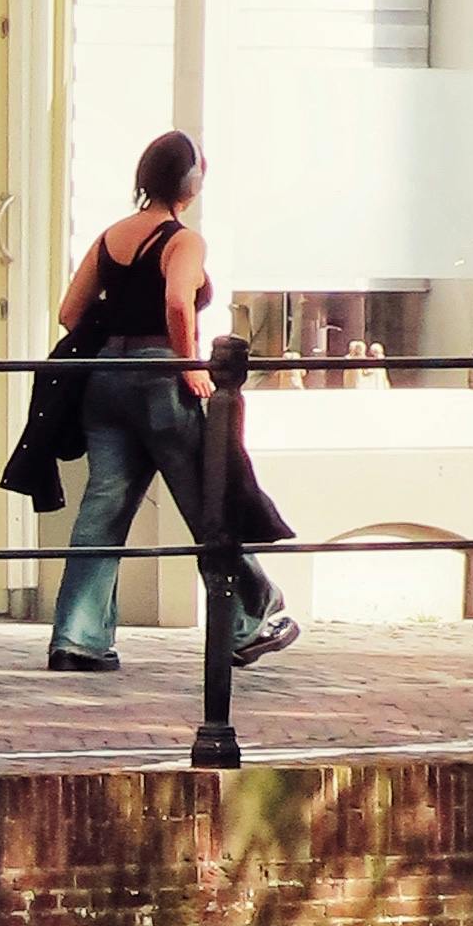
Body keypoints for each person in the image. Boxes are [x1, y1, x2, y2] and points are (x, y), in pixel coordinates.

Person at [42, 131, 295, 675]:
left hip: (104, 379)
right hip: (160, 379)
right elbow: (178, 301)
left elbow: (69, 311)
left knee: (102, 508)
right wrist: (189, 366)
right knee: (206, 500)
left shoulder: (112, 236)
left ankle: (76, 640)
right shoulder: (184, 241)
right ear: (190, 183)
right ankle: (248, 622)